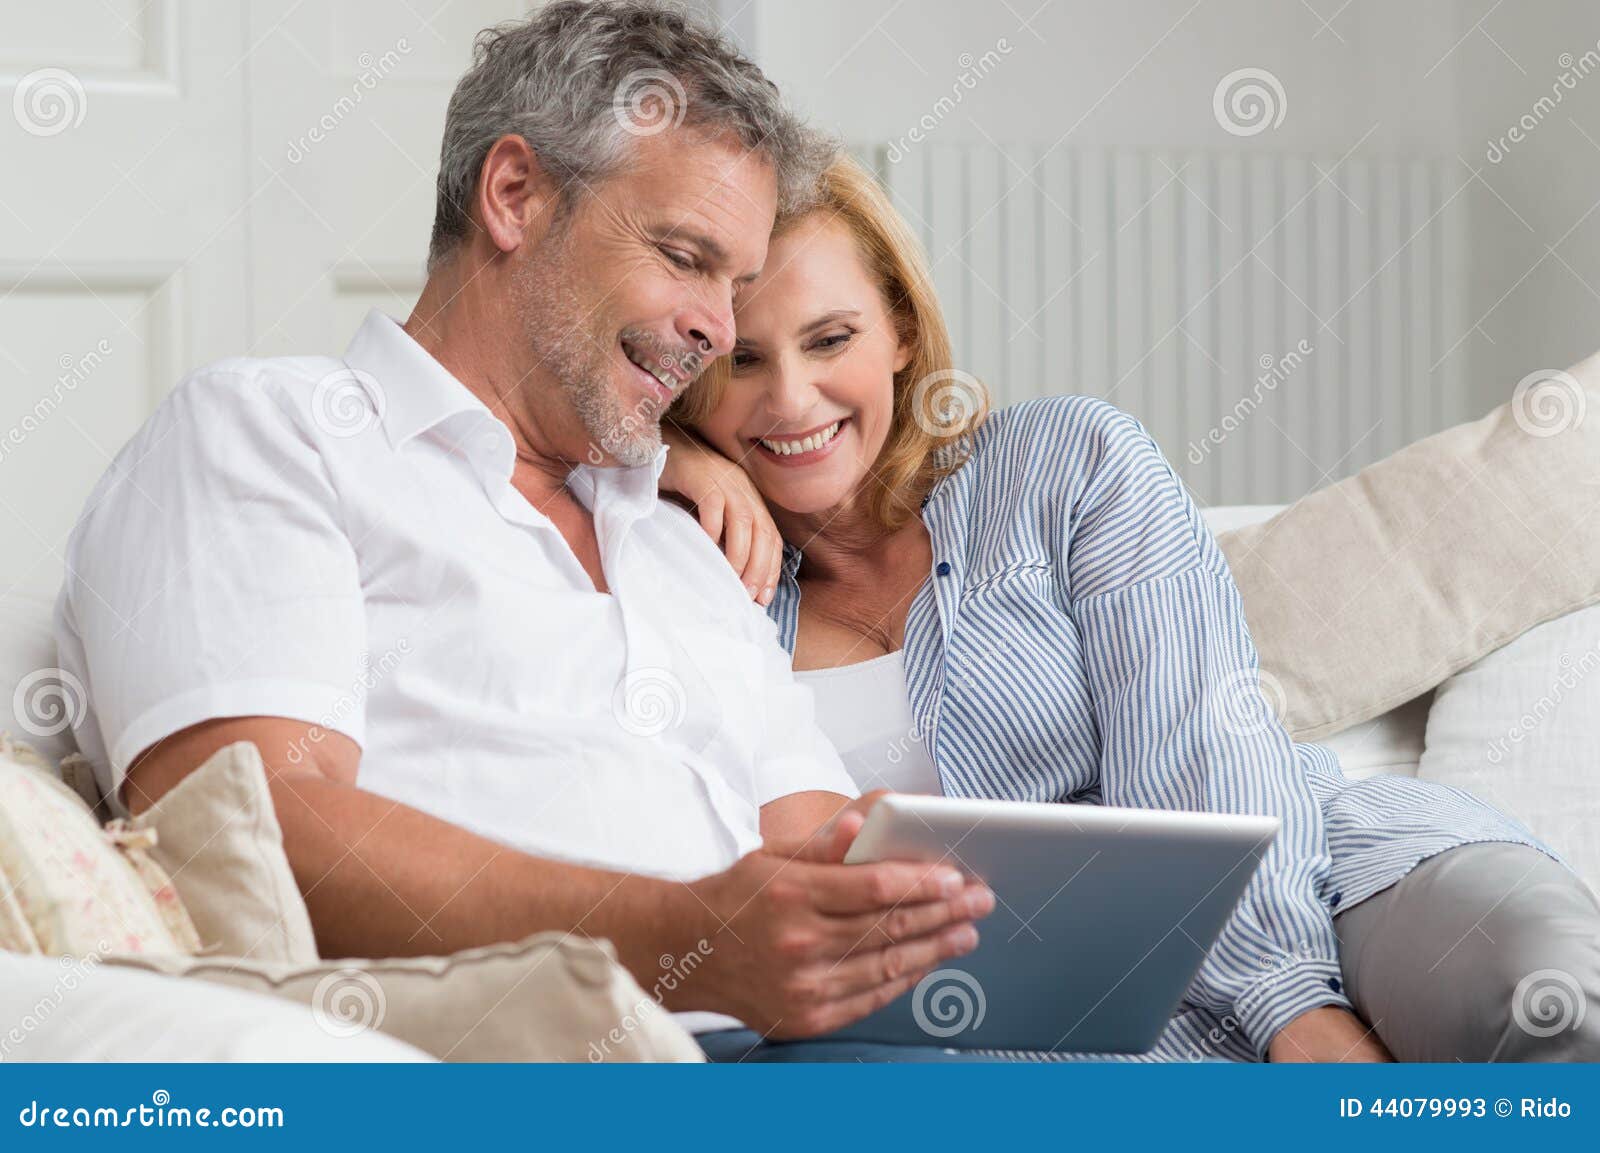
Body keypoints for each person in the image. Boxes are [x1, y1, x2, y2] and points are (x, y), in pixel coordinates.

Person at [54, 2, 999, 1062]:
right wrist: (688, 937)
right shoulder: (274, 436)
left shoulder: (684, 538)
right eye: (686, 257)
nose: (721, 330)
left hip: (814, 1066)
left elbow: (815, 832)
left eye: (734, 286)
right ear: (515, 195)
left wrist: (919, 897)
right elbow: (254, 820)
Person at [660, 155, 1600, 1062]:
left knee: (1548, 1007)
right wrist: (661, 462)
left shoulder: (1067, 464)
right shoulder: (685, 574)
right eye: (741, 361)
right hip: (1045, 1014)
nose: (790, 399)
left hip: (1330, 881)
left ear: (901, 330)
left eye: (831, 339)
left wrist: (1291, 1000)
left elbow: (1203, 744)